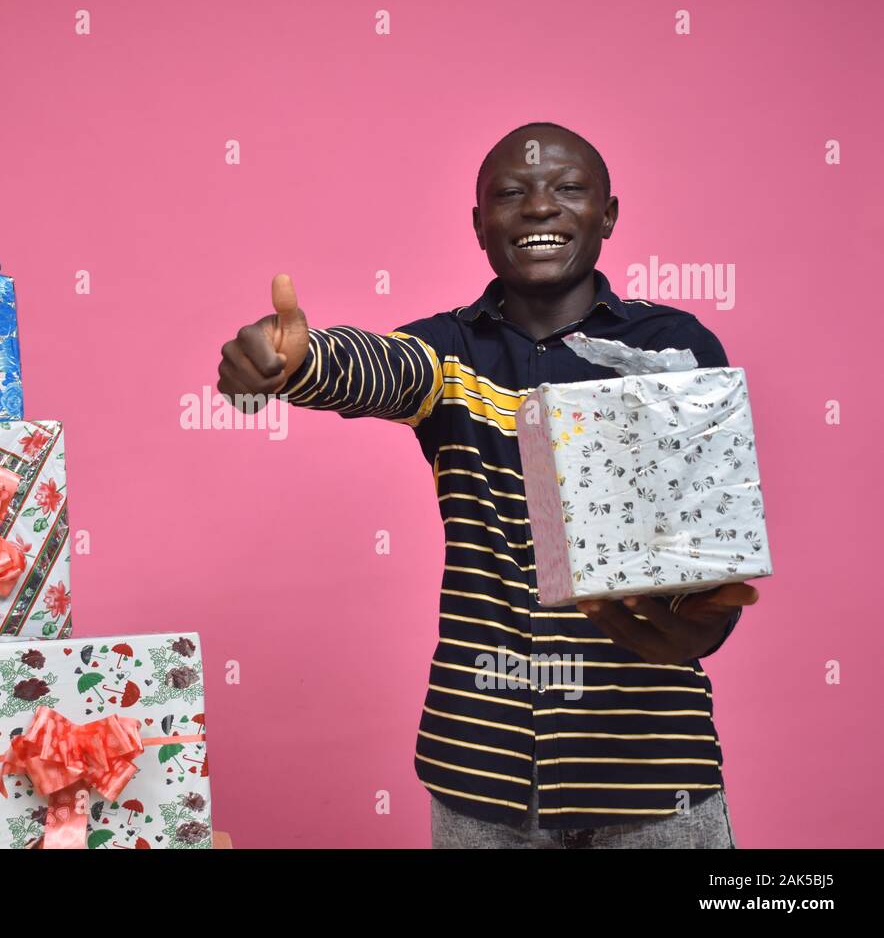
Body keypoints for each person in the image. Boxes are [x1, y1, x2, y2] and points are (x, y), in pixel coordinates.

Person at [216, 122, 759, 849]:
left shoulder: (674, 349)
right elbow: (376, 365)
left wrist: (708, 624)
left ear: (609, 215)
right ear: (478, 225)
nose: (539, 206)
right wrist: (295, 360)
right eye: (511, 193)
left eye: (568, 189)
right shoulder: (448, 354)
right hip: (481, 777)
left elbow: (710, 541)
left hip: (655, 772)